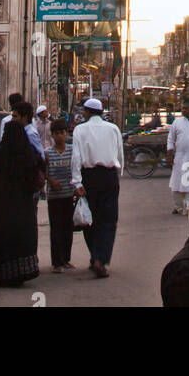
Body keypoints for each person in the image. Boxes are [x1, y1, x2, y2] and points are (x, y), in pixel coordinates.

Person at [0, 120, 42, 286]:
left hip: (0, 208)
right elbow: (35, 181)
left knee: (0, 240)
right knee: (20, 240)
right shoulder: (28, 156)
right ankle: (20, 272)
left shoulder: (0, 156)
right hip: (23, 208)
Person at [70, 97, 124, 278]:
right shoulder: (113, 129)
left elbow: (76, 157)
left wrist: (77, 182)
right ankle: (100, 258)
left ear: (87, 112)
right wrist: (118, 175)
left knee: (89, 218)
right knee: (108, 220)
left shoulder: (80, 130)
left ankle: (95, 257)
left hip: (88, 177)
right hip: (109, 176)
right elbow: (119, 154)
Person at [45, 120, 75, 272]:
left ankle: (66, 259)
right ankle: (57, 262)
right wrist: (51, 180)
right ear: (52, 135)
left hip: (69, 195)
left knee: (68, 228)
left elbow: (76, 170)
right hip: (54, 197)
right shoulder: (48, 153)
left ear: (66, 133)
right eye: (55, 133)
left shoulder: (72, 150)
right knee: (56, 229)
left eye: (61, 133)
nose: (59, 136)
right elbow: (43, 173)